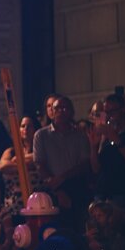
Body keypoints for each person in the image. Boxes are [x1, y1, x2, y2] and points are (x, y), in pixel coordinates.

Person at [33, 94, 91, 223]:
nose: (61, 112)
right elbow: (39, 164)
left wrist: (62, 178)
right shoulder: (41, 135)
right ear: (51, 112)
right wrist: (54, 184)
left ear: (71, 112)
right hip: (52, 186)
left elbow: (84, 163)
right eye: (57, 108)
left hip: (76, 185)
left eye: (65, 108)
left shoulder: (80, 135)